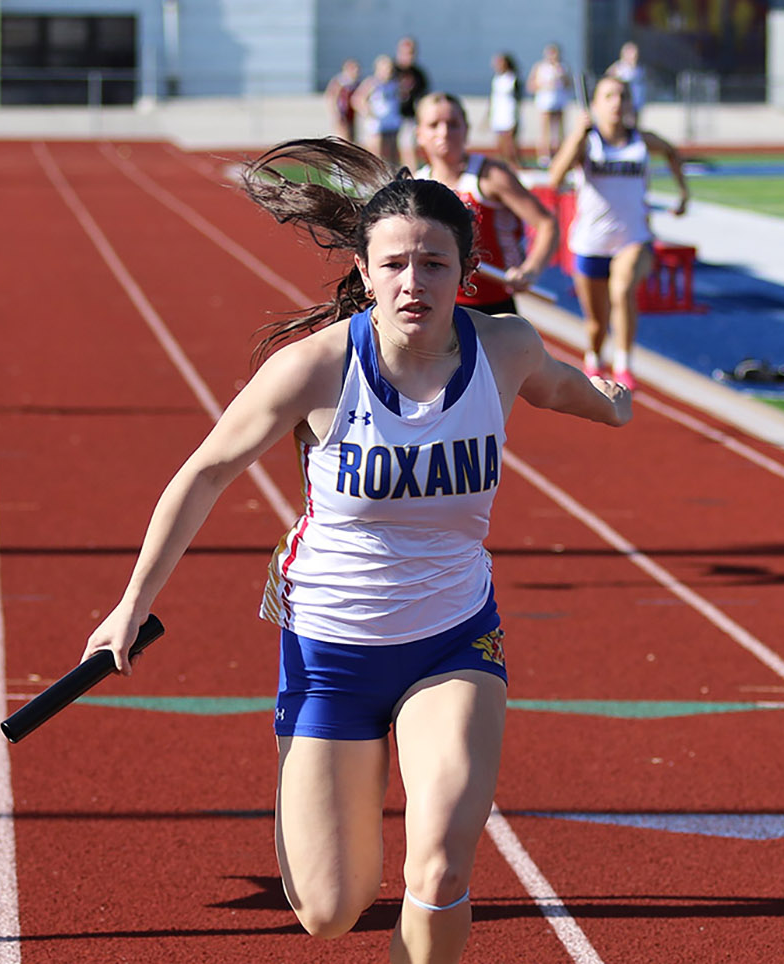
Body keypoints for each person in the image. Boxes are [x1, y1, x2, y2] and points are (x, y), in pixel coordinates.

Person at [83, 136, 631, 964]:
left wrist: (611, 405)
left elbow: (559, 386)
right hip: (330, 652)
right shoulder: (317, 369)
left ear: (466, 270)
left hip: (453, 641)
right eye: (396, 265)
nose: (415, 283)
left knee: (440, 864)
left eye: (435, 264)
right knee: (330, 910)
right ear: (365, 273)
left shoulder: (505, 348)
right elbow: (205, 473)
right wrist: (132, 605)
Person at [547, 75, 688, 390]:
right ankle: (595, 359)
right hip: (591, 242)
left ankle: (623, 364)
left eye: (622, 96)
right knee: (596, 324)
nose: (616, 103)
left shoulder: (641, 140)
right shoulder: (587, 142)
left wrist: (683, 194)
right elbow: (555, 178)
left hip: (633, 238)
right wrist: (576, 135)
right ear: (595, 104)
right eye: (609, 96)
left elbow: (671, 151)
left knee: (622, 291)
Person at [415, 92, 557, 316]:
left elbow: (547, 224)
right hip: (439, 307)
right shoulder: (416, 184)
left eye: (453, 124)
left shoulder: (490, 176)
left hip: (492, 306)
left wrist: (530, 270)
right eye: (434, 125)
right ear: (420, 134)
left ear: (466, 130)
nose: (444, 132)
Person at [352, 55, 402, 169]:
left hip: (392, 122)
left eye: (390, 68)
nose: (388, 71)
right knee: (378, 153)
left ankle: (394, 173)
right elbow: (357, 99)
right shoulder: (372, 83)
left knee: (393, 153)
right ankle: (377, 174)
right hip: (377, 124)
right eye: (385, 68)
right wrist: (369, 113)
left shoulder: (394, 83)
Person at [526, 43, 570, 166]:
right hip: (545, 102)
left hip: (559, 101)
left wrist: (561, 77)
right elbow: (531, 85)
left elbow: (569, 84)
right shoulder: (540, 67)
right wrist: (544, 85)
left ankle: (560, 154)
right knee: (545, 131)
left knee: (559, 130)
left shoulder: (563, 67)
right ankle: (544, 155)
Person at [392, 37, 429, 170]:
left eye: (411, 53)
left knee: (408, 147)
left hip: (408, 117)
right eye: (405, 53)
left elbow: (423, 97)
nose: (408, 56)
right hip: (389, 118)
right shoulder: (392, 70)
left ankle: (411, 175)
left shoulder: (418, 74)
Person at [486, 53, 523, 170]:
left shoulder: (513, 79)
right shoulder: (496, 79)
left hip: (509, 112)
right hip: (498, 112)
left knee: (509, 141)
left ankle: (515, 164)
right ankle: (504, 163)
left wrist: (517, 115)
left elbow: (518, 97)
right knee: (500, 141)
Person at [606, 42, 646, 125]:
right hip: (624, 104)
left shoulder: (639, 69)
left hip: (636, 103)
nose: (633, 56)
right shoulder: (618, 68)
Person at [324, 58, 361, 144]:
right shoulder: (339, 82)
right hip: (342, 113)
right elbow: (331, 98)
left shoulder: (356, 83)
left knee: (352, 138)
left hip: (352, 114)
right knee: (343, 137)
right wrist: (336, 113)